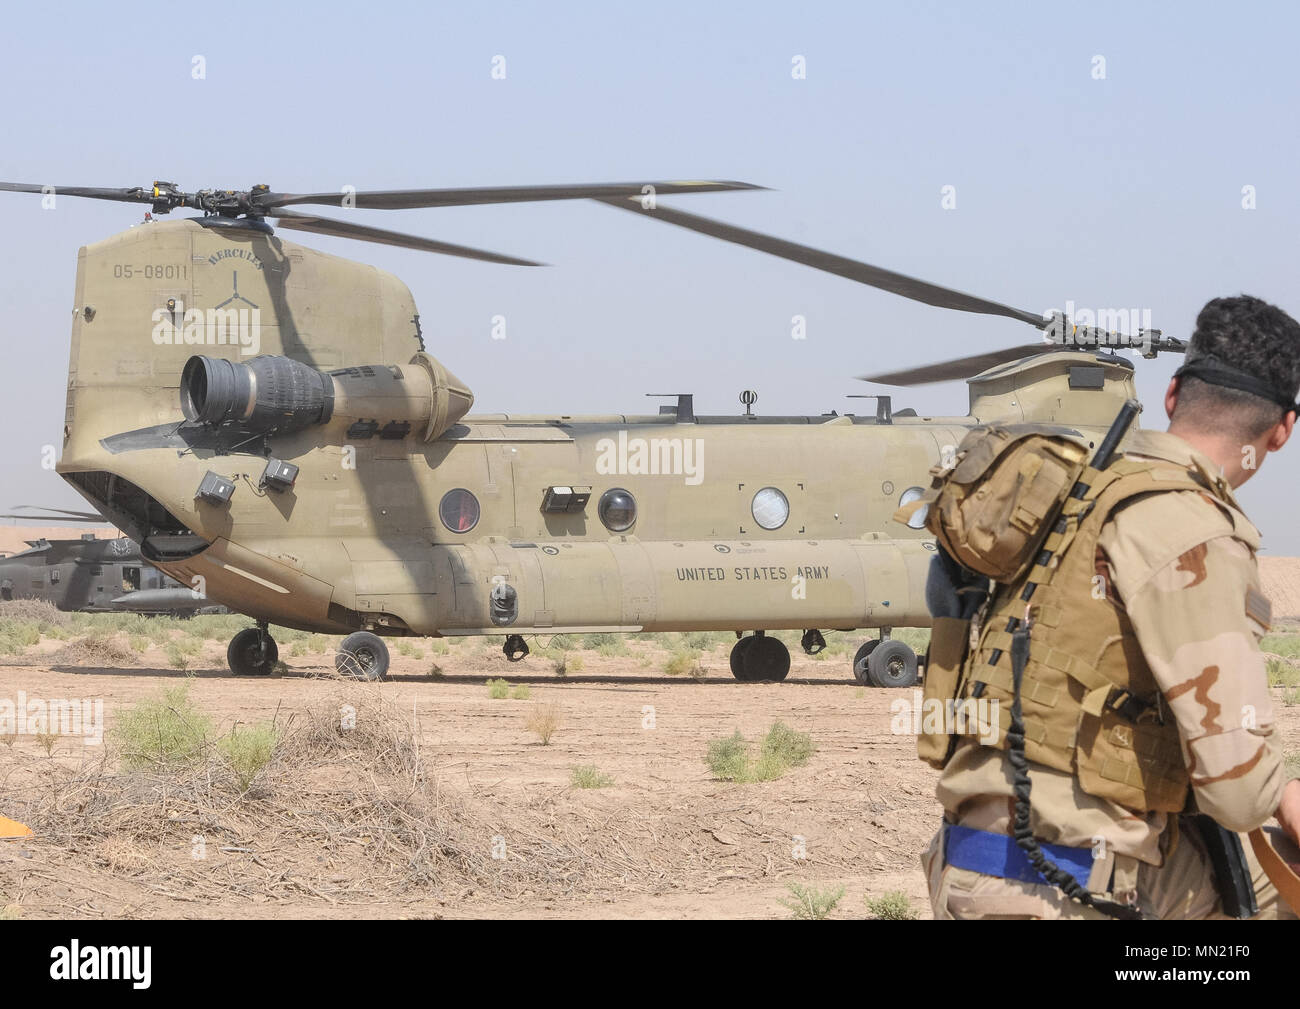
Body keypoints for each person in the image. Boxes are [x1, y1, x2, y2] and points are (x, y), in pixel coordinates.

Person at [920, 295, 1300, 919]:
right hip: (1070, 885)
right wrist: (1281, 794)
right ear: (1281, 431)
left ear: (1173, 394)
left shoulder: (1076, 500)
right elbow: (1236, 792)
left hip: (970, 863)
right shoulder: (1194, 531)